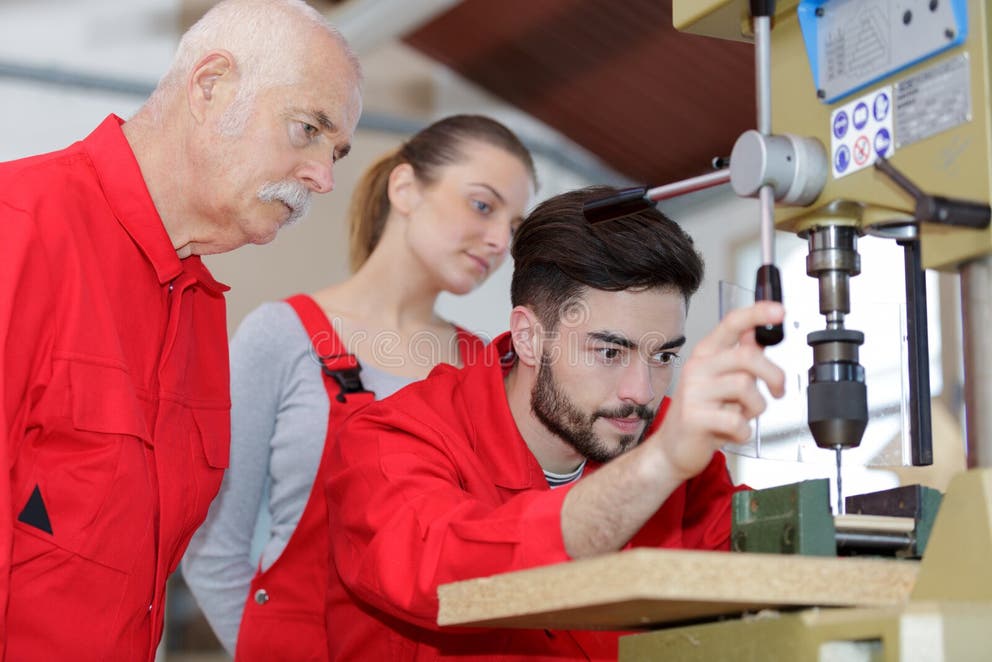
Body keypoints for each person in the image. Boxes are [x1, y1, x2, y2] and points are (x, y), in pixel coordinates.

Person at [0, 1, 361, 660]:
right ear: (210, 85)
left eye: (334, 151)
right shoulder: (16, 228)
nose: (324, 177)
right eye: (308, 129)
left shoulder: (199, 307)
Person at [323, 186, 787, 660]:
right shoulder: (387, 442)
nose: (642, 392)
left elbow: (751, 564)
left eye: (663, 354)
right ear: (529, 338)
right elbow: (446, 573)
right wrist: (659, 464)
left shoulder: (662, 437)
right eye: (610, 351)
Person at [181, 114, 537, 659]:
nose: (498, 241)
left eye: (513, 227)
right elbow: (211, 548)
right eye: (483, 205)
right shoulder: (281, 336)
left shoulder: (488, 370)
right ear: (406, 189)